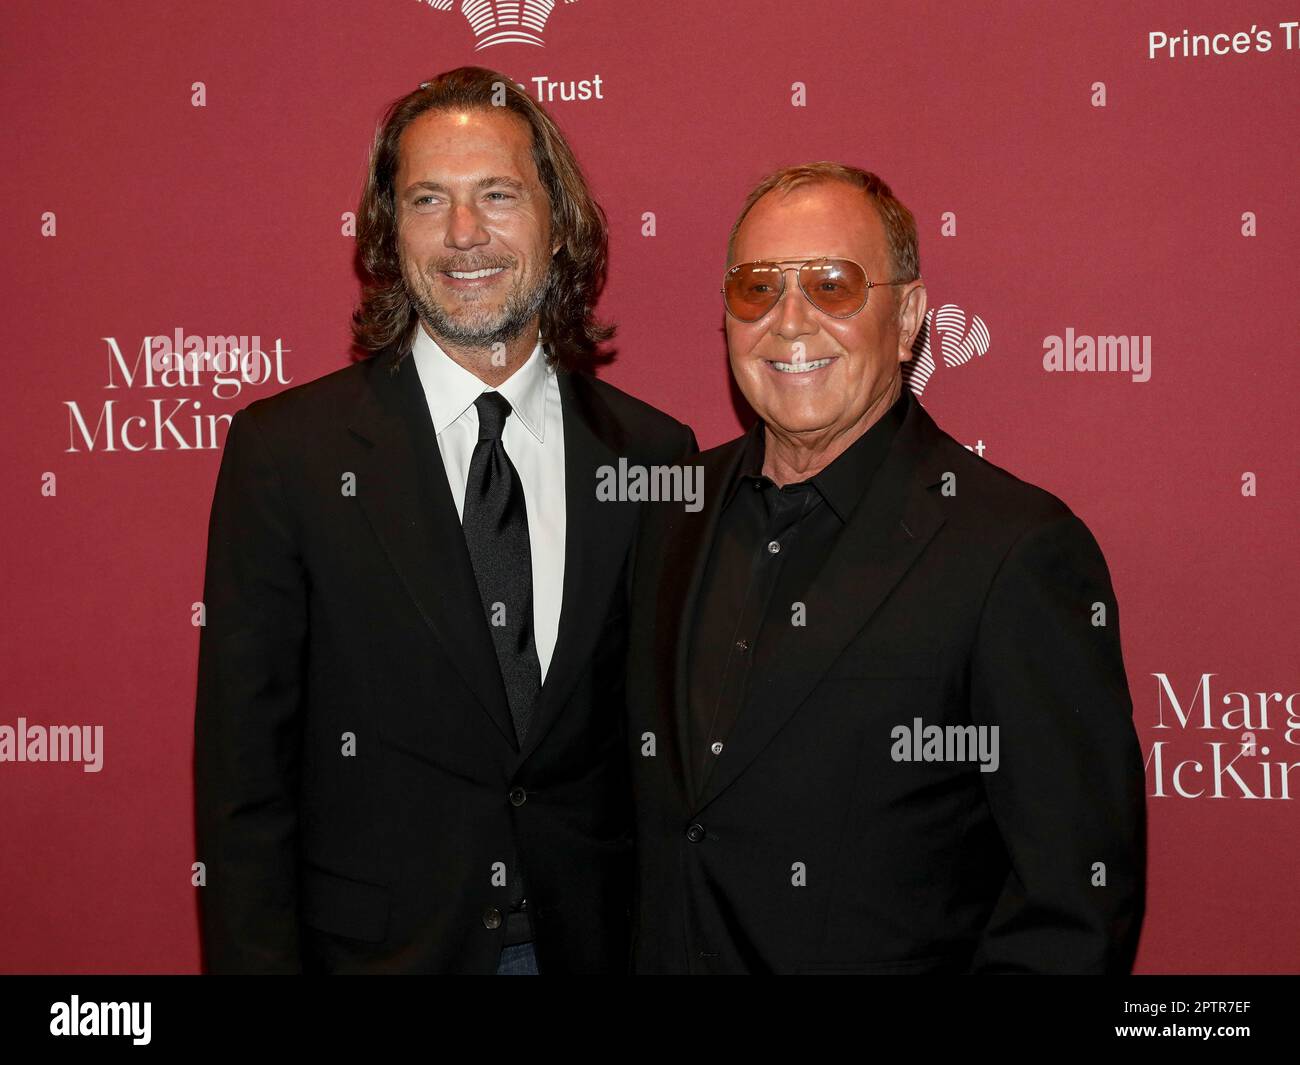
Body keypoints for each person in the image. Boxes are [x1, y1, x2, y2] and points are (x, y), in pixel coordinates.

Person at [194, 66, 695, 974]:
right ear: (390, 234)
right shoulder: (289, 455)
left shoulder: (654, 457)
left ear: (559, 220)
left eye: (497, 194)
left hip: (596, 946)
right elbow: (242, 788)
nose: (465, 234)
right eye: (429, 200)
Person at [627, 162, 1146, 974]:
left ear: (906, 318)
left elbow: (1071, 907)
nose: (788, 321)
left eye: (833, 286)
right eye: (756, 289)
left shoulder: (1013, 550)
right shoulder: (670, 515)